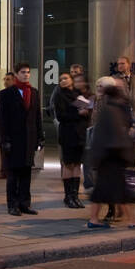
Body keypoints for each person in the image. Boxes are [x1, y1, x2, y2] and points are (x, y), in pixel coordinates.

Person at [85, 77, 135, 229]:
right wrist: (125, 153)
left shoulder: (112, 106)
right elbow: (116, 135)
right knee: (113, 189)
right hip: (110, 155)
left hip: (107, 155)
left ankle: (98, 219)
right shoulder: (112, 108)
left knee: (110, 189)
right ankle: (128, 219)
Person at [0, 62, 43, 216]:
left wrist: (40, 138)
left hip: (29, 139)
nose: (26, 75)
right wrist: (5, 140)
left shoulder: (34, 92)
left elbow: (37, 117)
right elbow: (2, 120)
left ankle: (24, 203)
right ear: (16, 74)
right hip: (13, 140)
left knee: (26, 173)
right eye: (23, 72)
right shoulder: (6, 94)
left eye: (28, 72)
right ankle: (12, 204)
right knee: (13, 174)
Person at [51, 71, 90, 209]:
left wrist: (86, 112)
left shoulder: (77, 94)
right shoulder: (59, 96)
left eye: (66, 78)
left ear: (71, 80)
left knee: (77, 164)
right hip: (67, 134)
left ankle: (75, 196)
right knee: (68, 164)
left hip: (79, 133)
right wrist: (77, 113)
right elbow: (61, 116)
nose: (63, 81)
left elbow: (87, 112)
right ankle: (68, 196)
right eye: (61, 79)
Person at [115, 56, 135, 120]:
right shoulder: (115, 79)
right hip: (120, 116)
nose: (120, 66)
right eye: (118, 64)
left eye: (122, 63)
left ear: (129, 65)